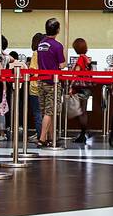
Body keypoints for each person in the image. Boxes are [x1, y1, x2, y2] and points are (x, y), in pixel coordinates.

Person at [35, 18, 65, 147]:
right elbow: (62, 64)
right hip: (53, 82)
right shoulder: (58, 46)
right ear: (58, 30)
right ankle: (42, 139)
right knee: (50, 111)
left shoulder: (40, 44)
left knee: (45, 111)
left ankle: (51, 137)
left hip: (41, 81)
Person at [67, 37, 94, 146]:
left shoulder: (80, 59)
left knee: (80, 112)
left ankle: (84, 133)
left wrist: (71, 86)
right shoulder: (87, 58)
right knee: (83, 111)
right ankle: (84, 132)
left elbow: (76, 74)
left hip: (80, 88)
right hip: (87, 87)